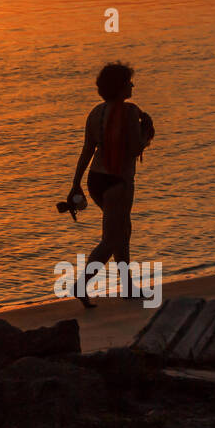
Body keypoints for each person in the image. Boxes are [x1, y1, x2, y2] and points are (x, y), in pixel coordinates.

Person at [68, 62, 155, 307]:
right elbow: (135, 148)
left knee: (123, 231)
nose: (132, 84)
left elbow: (87, 150)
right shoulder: (129, 113)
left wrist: (75, 184)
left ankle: (127, 287)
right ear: (120, 88)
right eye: (128, 82)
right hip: (119, 181)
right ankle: (81, 284)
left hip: (96, 180)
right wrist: (147, 131)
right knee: (112, 239)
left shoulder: (96, 112)